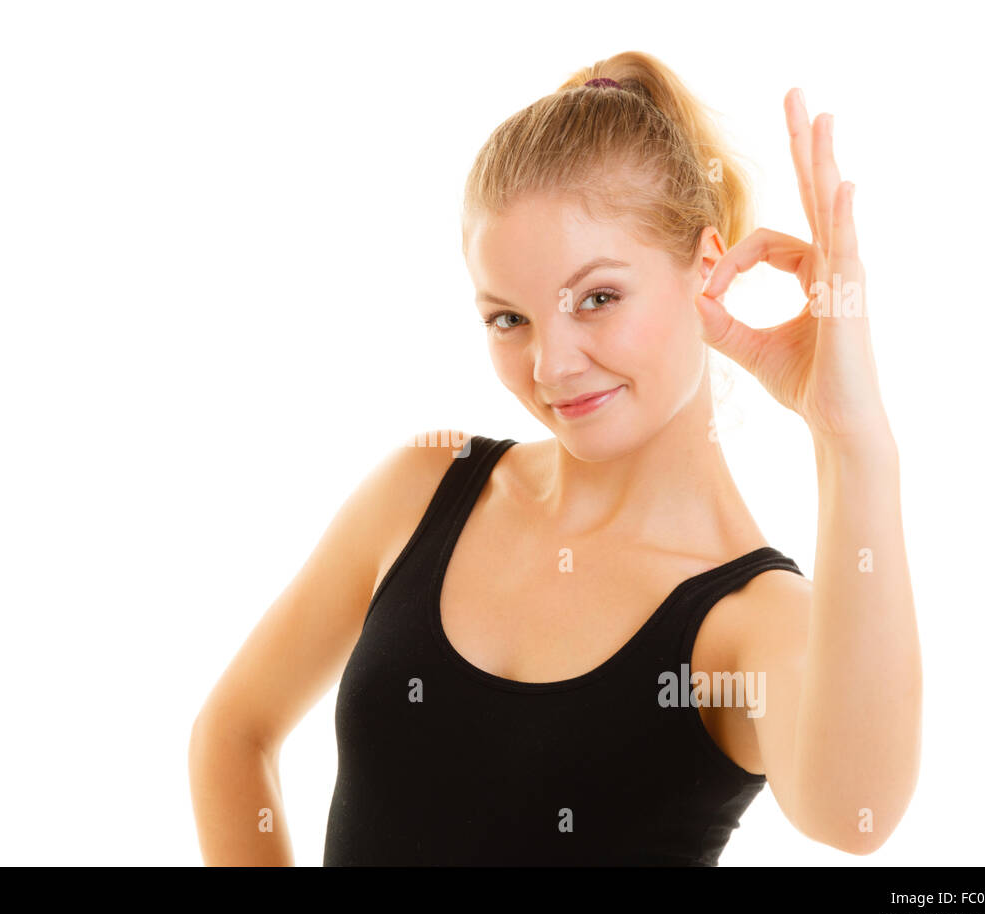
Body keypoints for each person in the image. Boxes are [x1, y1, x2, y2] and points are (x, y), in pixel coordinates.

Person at [189, 51, 921, 866]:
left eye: (597, 299)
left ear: (706, 269)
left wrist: (853, 441)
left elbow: (858, 814)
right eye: (509, 319)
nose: (551, 365)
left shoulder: (746, 625)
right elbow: (235, 733)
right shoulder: (422, 493)